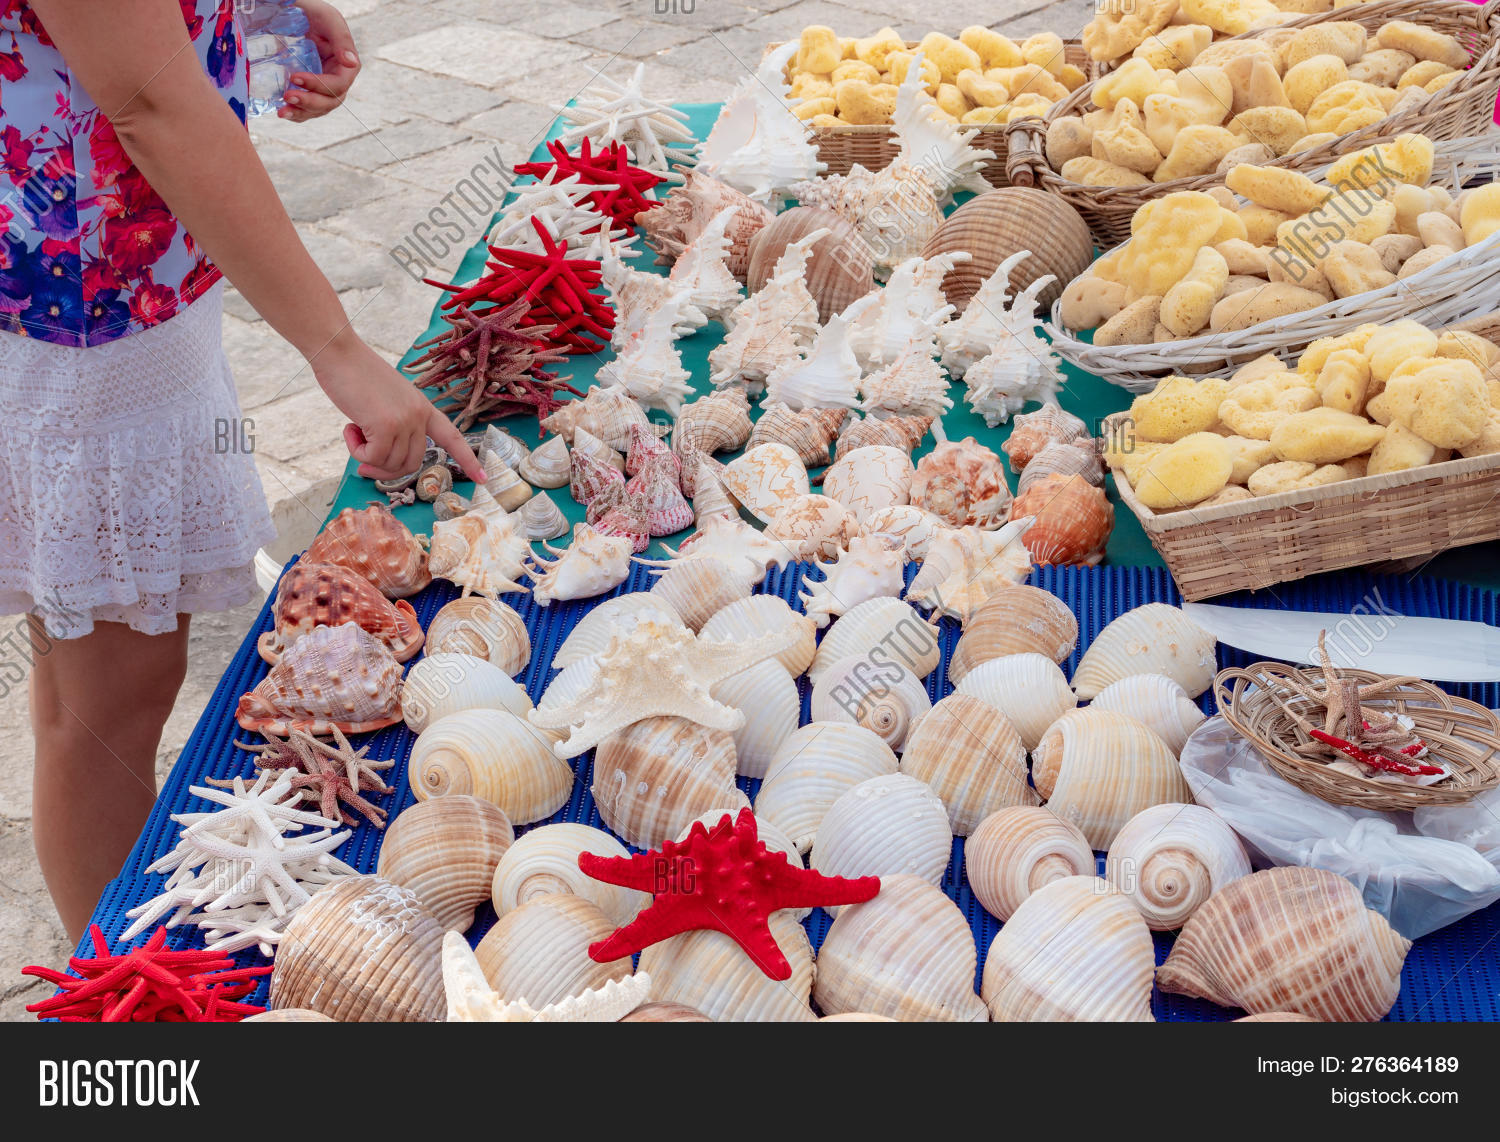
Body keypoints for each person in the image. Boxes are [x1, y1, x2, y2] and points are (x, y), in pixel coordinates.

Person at [1, 0, 482, 942]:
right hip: (84, 305)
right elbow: (148, 101)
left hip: (128, 270)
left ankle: (120, 986)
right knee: (102, 706)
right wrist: (336, 349)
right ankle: (123, 1011)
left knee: (98, 689)